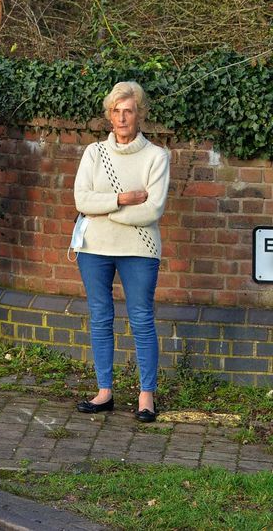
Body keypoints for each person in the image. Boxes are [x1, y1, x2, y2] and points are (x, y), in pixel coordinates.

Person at [72, 81, 169, 422]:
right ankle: (104, 392)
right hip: (93, 248)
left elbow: (152, 210)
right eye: (117, 111)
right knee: (100, 318)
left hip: (139, 249)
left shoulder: (157, 157)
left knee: (141, 319)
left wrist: (104, 210)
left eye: (129, 111)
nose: (123, 117)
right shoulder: (94, 153)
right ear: (109, 115)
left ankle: (146, 396)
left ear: (139, 114)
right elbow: (81, 200)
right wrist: (122, 199)